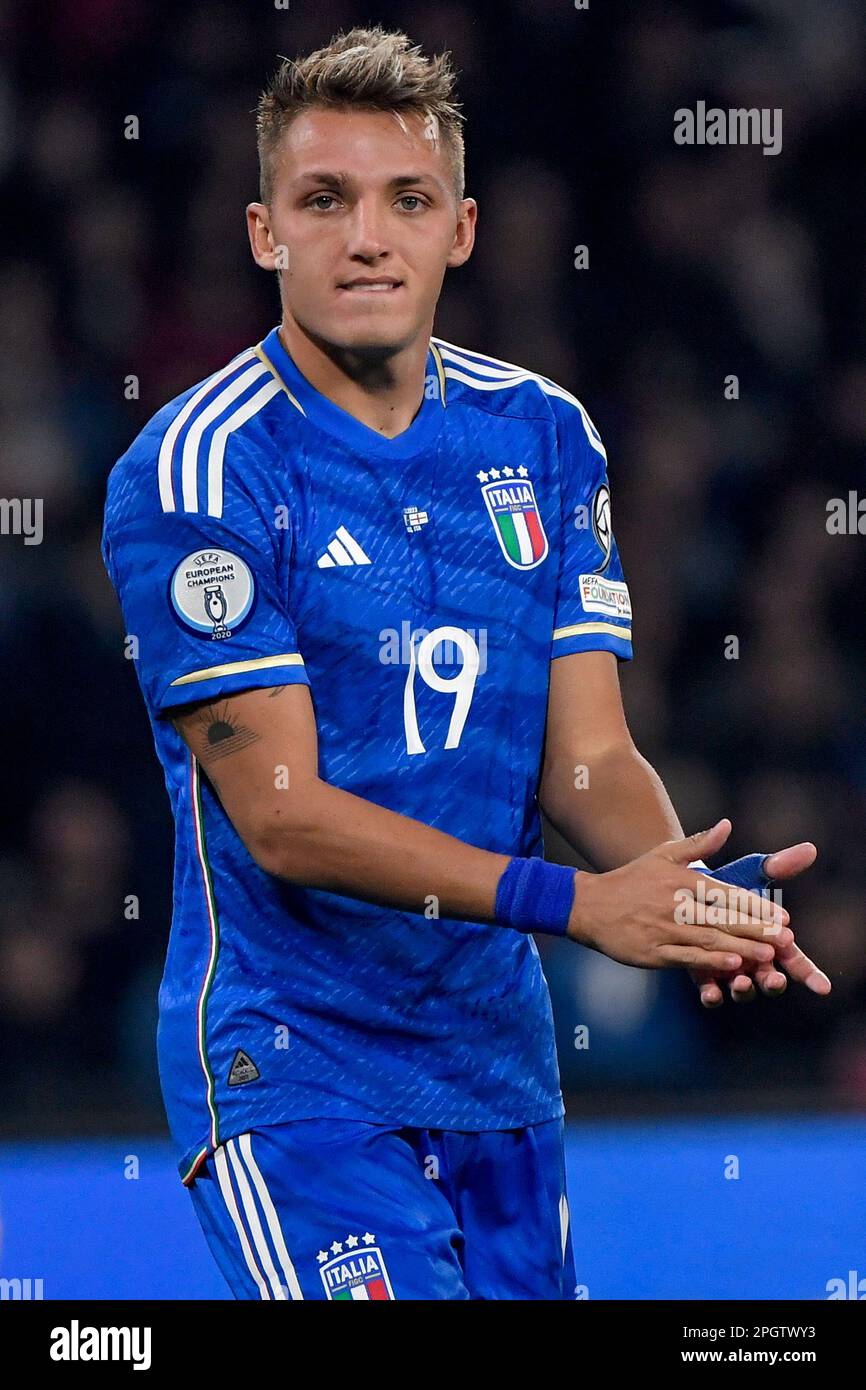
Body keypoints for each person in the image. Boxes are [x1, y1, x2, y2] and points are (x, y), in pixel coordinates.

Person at [101, 25, 830, 1301]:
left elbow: (587, 754)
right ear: (265, 232)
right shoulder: (200, 465)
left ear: (463, 230)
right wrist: (577, 908)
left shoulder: (543, 434)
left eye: (405, 201)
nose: (365, 237)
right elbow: (282, 820)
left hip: (494, 1070)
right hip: (298, 1073)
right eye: (322, 201)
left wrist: (672, 885)